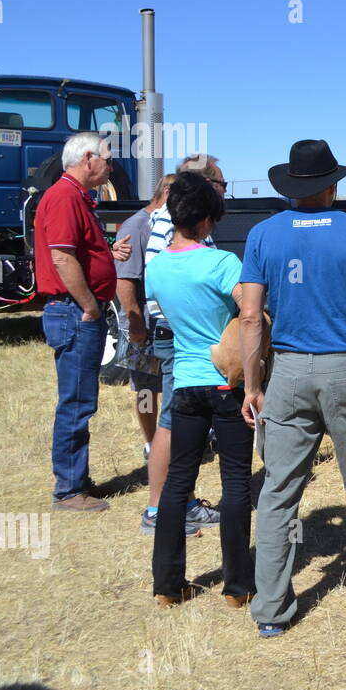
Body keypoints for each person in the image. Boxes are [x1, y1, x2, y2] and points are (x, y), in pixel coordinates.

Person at [239, 139, 346, 637]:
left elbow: (250, 316)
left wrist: (251, 384)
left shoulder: (263, 234)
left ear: (290, 185)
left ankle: (271, 611)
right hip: (345, 371)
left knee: (279, 492)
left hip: (286, 371)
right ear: (333, 185)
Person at [146, 173, 254, 606]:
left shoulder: (156, 268)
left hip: (186, 383)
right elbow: (251, 311)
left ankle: (168, 586)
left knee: (177, 485)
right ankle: (238, 586)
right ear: (207, 220)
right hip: (226, 383)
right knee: (235, 484)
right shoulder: (222, 263)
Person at [33, 133, 132, 511]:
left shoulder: (75, 197)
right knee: (76, 402)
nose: (111, 166)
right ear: (88, 158)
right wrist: (90, 307)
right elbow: (62, 259)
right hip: (74, 313)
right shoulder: (63, 197)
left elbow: (76, 250)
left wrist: (108, 251)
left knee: (80, 400)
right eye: (107, 159)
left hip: (76, 312)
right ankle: (69, 490)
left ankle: (76, 480)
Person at [139, 155, 227, 535]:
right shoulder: (169, 225)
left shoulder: (187, 227)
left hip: (180, 334)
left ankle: (181, 501)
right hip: (179, 337)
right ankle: (158, 510)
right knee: (172, 423)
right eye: (222, 187)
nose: (225, 194)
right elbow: (164, 282)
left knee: (178, 421)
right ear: (206, 188)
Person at [114, 173, 174, 462]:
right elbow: (125, 281)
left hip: (161, 324)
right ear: (165, 194)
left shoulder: (162, 224)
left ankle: (168, 438)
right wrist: (135, 325)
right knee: (146, 390)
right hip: (143, 327)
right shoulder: (137, 226)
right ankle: (152, 444)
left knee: (166, 386)